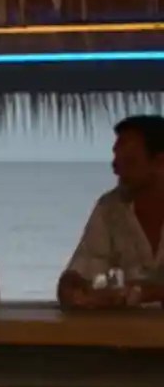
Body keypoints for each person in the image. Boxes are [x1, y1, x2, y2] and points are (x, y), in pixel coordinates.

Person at [57, 115, 164, 308]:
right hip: (129, 335)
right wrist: (73, 291)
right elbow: (83, 267)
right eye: (115, 157)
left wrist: (145, 292)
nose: (115, 168)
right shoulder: (110, 208)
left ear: (159, 162)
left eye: (129, 161)